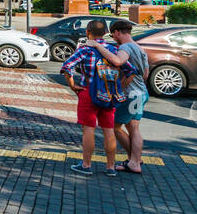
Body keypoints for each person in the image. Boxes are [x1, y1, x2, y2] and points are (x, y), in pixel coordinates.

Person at [59, 19, 135, 177]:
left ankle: (86, 165)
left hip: (88, 92)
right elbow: (131, 71)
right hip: (109, 94)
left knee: (88, 129)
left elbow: (67, 66)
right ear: (105, 33)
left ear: (88, 32)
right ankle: (110, 167)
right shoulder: (114, 50)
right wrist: (119, 85)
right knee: (109, 130)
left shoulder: (86, 49)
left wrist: (72, 85)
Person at [109, 19, 149, 174]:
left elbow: (118, 61)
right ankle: (135, 160)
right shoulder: (140, 48)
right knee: (133, 127)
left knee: (114, 126)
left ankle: (134, 160)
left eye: (113, 36)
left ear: (117, 32)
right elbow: (145, 74)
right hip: (141, 93)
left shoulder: (125, 47)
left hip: (131, 94)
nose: (114, 39)